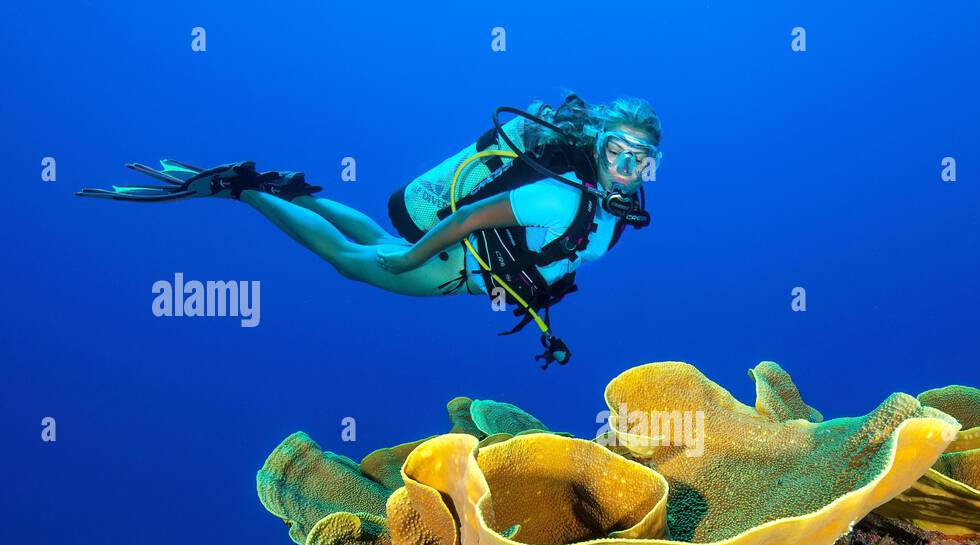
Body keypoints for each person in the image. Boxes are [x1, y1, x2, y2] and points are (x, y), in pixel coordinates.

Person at [78, 94, 661, 366]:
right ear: (598, 143)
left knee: (376, 241)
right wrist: (412, 265)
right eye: (618, 149)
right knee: (347, 259)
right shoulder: (561, 197)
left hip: (461, 261)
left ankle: (296, 192)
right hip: (450, 265)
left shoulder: (608, 209)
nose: (628, 166)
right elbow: (469, 218)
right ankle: (244, 190)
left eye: (643, 157)